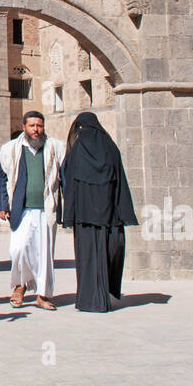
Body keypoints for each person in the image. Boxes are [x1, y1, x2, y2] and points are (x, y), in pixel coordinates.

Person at [61, 112, 138, 312]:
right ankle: (103, 297)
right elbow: (120, 183)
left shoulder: (76, 151)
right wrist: (122, 212)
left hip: (83, 217)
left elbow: (69, 186)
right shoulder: (110, 148)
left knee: (87, 258)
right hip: (108, 216)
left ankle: (88, 300)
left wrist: (68, 214)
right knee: (105, 255)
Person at [0, 111, 66, 310]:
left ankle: (42, 294)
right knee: (18, 250)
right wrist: (2, 205)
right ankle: (20, 285)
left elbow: (63, 179)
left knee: (43, 254)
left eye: (40, 126)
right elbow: (2, 179)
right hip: (21, 209)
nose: (36, 130)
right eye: (32, 126)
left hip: (46, 208)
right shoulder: (10, 149)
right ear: (24, 127)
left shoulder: (54, 148)